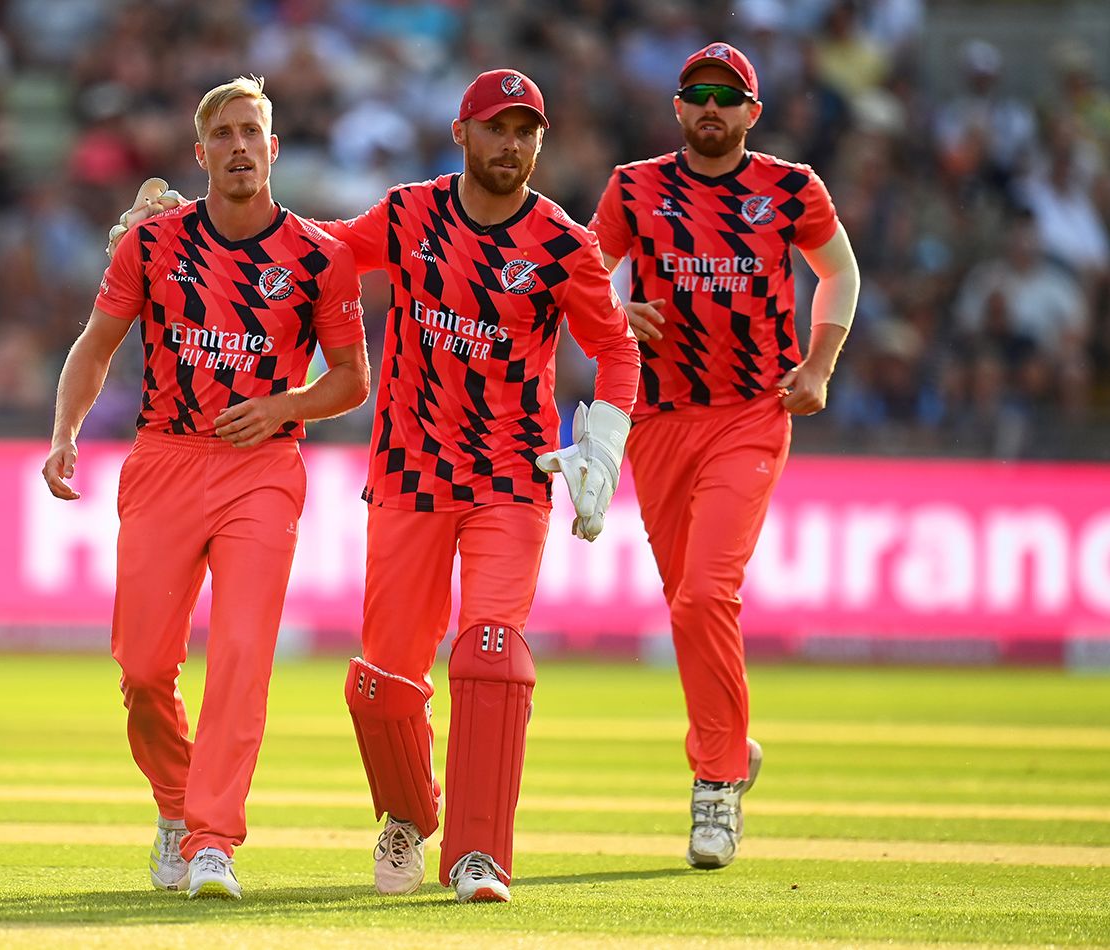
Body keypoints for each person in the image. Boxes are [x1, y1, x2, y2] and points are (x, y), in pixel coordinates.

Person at [109, 68, 640, 903]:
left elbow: (618, 349)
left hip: (511, 476)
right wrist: (177, 224)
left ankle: (477, 856)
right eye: (496, 128)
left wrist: (603, 446)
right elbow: (302, 247)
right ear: (461, 134)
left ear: (541, 142)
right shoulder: (409, 214)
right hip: (408, 476)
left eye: (526, 131)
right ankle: (405, 814)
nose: (511, 145)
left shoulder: (562, 243)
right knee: (385, 684)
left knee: (491, 653)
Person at [42, 76, 370, 901]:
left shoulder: (318, 257)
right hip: (164, 461)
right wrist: (65, 435)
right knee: (145, 668)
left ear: (273, 148)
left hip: (262, 469)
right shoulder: (151, 245)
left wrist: (285, 407)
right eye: (222, 134)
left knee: (240, 657)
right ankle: (176, 806)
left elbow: (353, 381)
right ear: (201, 153)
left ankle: (214, 840)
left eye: (250, 131)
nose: (237, 146)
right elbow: (95, 347)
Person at [589, 43, 860, 870]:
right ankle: (733, 750)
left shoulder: (791, 186)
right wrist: (614, 311)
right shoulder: (633, 186)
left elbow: (839, 273)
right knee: (687, 606)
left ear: (753, 112)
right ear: (678, 108)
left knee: (708, 593)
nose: (712, 108)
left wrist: (819, 365)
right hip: (658, 421)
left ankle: (713, 788)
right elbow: (584, 273)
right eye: (697, 95)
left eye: (727, 97)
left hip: (750, 413)